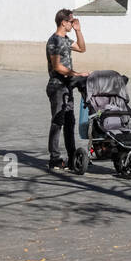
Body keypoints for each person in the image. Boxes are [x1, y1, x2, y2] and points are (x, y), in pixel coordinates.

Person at [45, 9, 89, 172]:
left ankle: (72, 158)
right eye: (71, 22)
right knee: (58, 122)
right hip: (57, 86)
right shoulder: (54, 41)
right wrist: (77, 74)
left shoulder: (66, 39)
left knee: (70, 123)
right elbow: (57, 66)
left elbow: (82, 48)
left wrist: (78, 30)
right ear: (63, 22)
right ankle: (54, 159)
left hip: (68, 86)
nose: (72, 23)